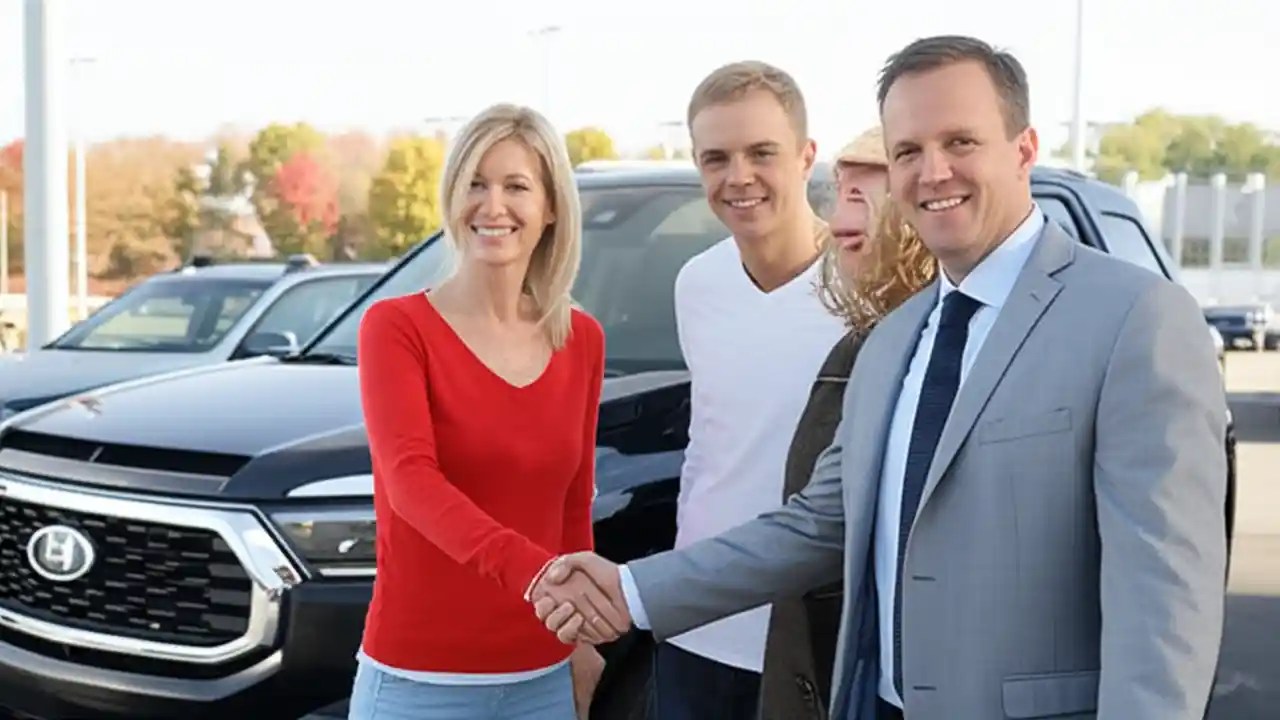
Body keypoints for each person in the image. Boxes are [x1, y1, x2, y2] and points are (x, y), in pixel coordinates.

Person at [535, 35, 1229, 720]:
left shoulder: (1135, 318)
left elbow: (1164, 606)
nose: (932, 172)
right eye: (908, 152)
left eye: (960, 142)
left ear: (1024, 149)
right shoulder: (893, 339)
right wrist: (630, 591)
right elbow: (815, 524)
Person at [532, 61, 848, 720]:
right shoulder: (697, 284)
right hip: (695, 627)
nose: (739, 177)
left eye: (762, 152)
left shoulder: (865, 294)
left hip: (813, 634)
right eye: (716, 158)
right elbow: (708, 446)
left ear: (805, 157)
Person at [349, 102, 626, 720]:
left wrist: (577, 633)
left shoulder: (580, 339)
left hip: (543, 679)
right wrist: (536, 575)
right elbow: (410, 483)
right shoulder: (396, 328)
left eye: (516, 186)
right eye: (476, 183)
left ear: (551, 207)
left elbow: (573, 499)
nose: (492, 206)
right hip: (417, 683)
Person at [756, 126, 935, 720]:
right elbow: (815, 522)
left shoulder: (948, 347)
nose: (837, 224)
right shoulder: (859, 350)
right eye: (839, 195)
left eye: (862, 196)